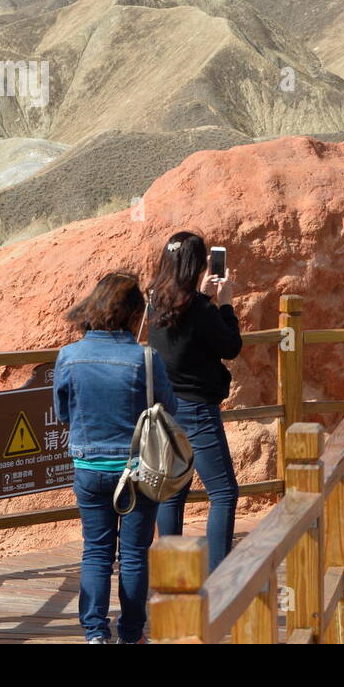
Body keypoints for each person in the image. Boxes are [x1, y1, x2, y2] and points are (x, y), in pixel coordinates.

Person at [54, 272, 177, 644]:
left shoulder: (69, 356)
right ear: (132, 314)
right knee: (135, 554)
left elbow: (63, 413)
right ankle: (131, 634)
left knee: (96, 552)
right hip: (138, 470)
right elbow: (168, 408)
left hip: (89, 469)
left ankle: (94, 634)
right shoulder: (145, 358)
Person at [146, 232, 243, 572]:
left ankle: (170, 576)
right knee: (224, 493)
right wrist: (226, 303)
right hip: (198, 409)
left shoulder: (155, 298)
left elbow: (182, 337)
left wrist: (205, 298)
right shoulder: (200, 308)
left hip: (165, 406)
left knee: (173, 491)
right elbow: (230, 346)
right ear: (196, 266)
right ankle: (220, 579)